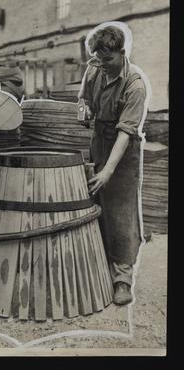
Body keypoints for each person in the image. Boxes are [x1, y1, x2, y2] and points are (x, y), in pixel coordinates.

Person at [78, 23, 149, 305]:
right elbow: (82, 99)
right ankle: (99, 267)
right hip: (99, 139)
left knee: (121, 212)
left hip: (124, 147)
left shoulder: (135, 85)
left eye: (107, 60)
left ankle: (122, 279)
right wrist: (83, 109)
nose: (102, 65)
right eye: (98, 59)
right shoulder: (94, 69)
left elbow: (125, 133)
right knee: (97, 206)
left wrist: (108, 170)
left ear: (122, 53)